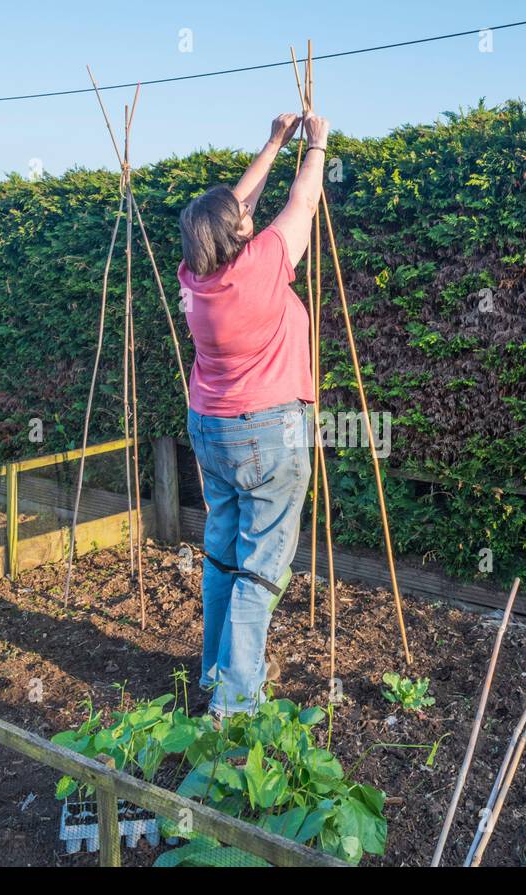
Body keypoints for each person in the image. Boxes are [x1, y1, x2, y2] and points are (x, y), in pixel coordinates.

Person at [177, 111, 331, 719]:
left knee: (222, 553)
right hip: (268, 434)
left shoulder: (195, 275)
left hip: (210, 428)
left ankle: (216, 672)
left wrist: (274, 143)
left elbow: (230, 208)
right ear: (237, 234)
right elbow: (303, 201)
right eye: (243, 216)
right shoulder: (264, 263)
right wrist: (315, 146)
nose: (250, 212)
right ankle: (236, 705)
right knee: (261, 569)